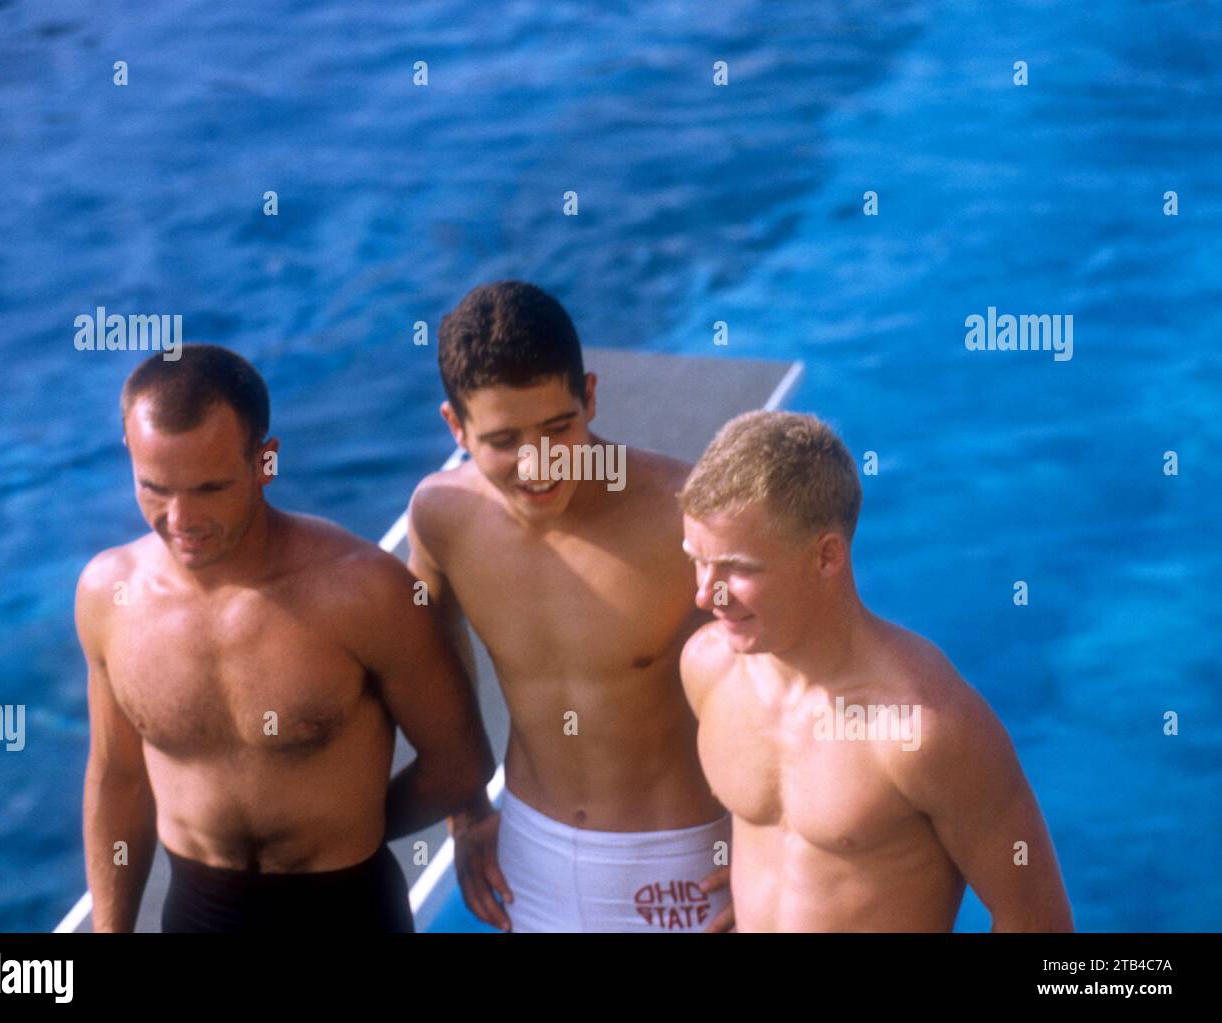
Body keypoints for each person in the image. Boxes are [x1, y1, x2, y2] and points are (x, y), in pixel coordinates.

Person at [77, 344, 492, 932]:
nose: (181, 519)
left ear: (265, 462)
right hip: (197, 912)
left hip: (347, 909)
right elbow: (116, 778)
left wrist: (360, 824)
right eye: (155, 488)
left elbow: (460, 761)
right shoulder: (107, 596)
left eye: (209, 488)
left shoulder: (364, 593)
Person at [408, 281, 732, 933]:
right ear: (456, 426)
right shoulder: (442, 518)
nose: (541, 462)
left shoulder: (688, 511)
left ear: (589, 395)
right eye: (504, 439)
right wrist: (466, 810)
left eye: (559, 427)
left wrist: (772, 841)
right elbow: (432, 672)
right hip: (532, 857)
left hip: (685, 862)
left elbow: (790, 678)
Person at [678, 410, 1074, 931]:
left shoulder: (926, 727)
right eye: (698, 562)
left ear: (826, 557)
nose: (706, 595)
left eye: (738, 569)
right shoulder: (708, 668)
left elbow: (1036, 920)